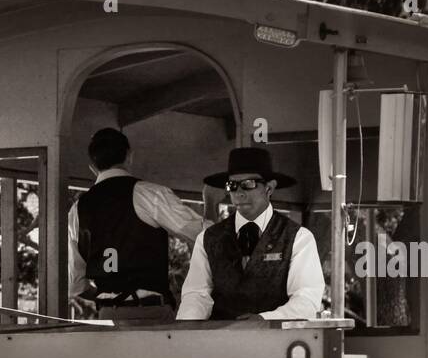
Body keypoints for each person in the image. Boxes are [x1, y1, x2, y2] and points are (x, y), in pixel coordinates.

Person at [68, 127, 207, 321]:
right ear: (129, 156)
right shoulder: (148, 194)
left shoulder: (78, 209)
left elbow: (74, 284)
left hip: (106, 317)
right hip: (150, 313)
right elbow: (203, 233)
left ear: (92, 166)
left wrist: (109, 297)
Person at [177, 146, 324, 320]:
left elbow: (306, 300)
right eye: (232, 186)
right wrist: (184, 329)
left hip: (276, 342)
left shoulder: (298, 238)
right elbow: (196, 295)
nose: (239, 193)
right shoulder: (209, 238)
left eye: (248, 185)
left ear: (269, 188)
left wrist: (265, 319)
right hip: (220, 342)